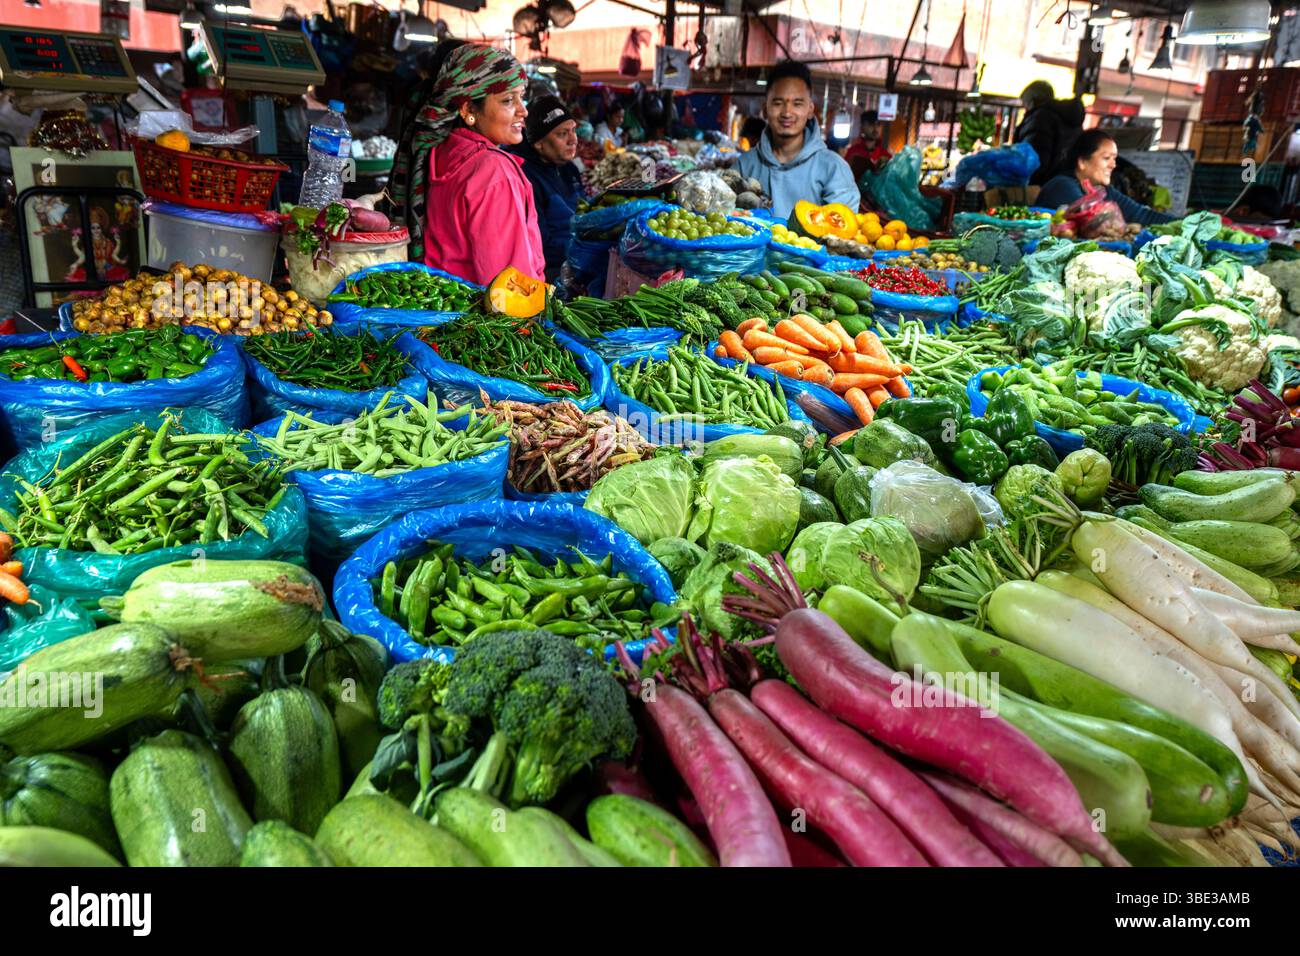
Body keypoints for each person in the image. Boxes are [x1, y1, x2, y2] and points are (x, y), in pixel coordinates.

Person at [389, 43, 545, 283]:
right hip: (481, 317)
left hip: (445, 308)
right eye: (507, 101)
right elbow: (511, 289)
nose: (523, 111)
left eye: (521, 97)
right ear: (468, 109)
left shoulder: (438, 152)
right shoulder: (494, 171)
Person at [737, 60, 859, 220]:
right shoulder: (745, 165)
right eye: (778, 103)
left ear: (810, 110)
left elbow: (841, 230)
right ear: (765, 109)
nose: (787, 112)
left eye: (797, 103)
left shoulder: (834, 169)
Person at [1036, 129, 1175, 226]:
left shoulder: (1103, 191)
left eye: (1114, 158)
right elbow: (1096, 222)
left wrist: (1190, 223)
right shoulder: (1062, 186)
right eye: (1106, 158)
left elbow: (1142, 215)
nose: (1113, 165)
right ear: (1082, 162)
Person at [513, 96, 583, 283]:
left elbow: (584, 213)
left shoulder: (570, 169)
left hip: (578, 256)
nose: (573, 140)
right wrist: (583, 248)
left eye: (573, 130)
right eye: (562, 134)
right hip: (550, 272)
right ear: (539, 143)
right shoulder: (525, 177)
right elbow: (539, 243)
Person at [1015, 80, 1085, 187]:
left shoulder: (1040, 119)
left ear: (1032, 102)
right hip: (1066, 184)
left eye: (1025, 104)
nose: (1025, 109)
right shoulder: (1068, 118)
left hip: (1042, 187)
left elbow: (1035, 161)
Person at [844, 109, 891, 181]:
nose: (875, 128)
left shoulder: (885, 154)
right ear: (862, 126)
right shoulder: (853, 151)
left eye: (878, 124)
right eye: (871, 124)